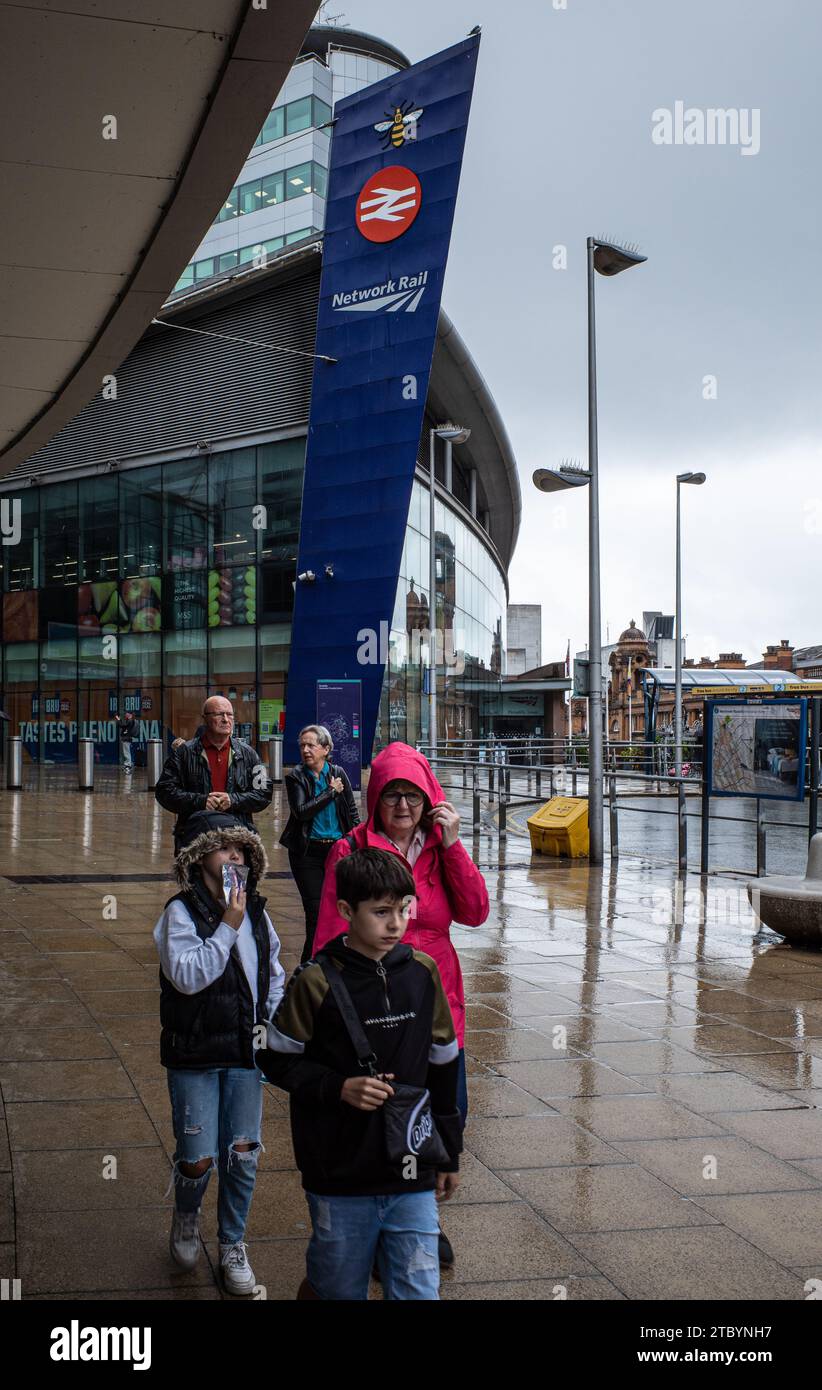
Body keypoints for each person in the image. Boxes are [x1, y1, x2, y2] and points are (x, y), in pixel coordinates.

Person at [312, 741, 489, 1269]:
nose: (404, 807)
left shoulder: (440, 847)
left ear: (431, 797)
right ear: (374, 799)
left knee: (440, 1107)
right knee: (380, 1116)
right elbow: (330, 933)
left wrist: (454, 846)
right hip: (374, 1003)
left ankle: (423, 1219)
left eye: (413, 794)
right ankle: (375, 1221)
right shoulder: (351, 850)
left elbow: (476, 912)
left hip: (436, 1000)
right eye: (392, 795)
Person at [256, 847, 462, 1301]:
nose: (395, 924)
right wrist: (337, 1087)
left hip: (410, 1167)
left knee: (417, 1289)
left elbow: (445, 1066)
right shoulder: (316, 981)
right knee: (338, 1287)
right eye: (381, 912)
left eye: (403, 909)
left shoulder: (423, 973)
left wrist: (448, 1154)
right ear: (347, 910)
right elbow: (275, 1059)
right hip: (339, 1171)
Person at [154, 810, 285, 1295]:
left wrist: (276, 1025)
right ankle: (187, 1216)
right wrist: (228, 923)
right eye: (225, 846)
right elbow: (187, 977)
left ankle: (233, 1243)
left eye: (242, 848)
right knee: (197, 1158)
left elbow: (271, 971)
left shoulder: (256, 911)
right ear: (197, 857)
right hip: (193, 1054)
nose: (236, 855)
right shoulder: (180, 913)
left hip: (245, 1054)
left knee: (243, 1152)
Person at [280, 724, 359, 962]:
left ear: (325, 749)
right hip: (307, 853)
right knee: (315, 912)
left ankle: (339, 959)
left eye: (310, 745)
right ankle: (310, 965)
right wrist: (330, 792)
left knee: (341, 909)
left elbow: (352, 813)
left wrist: (355, 843)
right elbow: (302, 812)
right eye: (302, 745)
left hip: (338, 851)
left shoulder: (338, 773)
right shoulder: (296, 777)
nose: (305, 750)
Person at [155, 696, 272, 849]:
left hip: (237, 840)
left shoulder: (249, 754)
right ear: (205, 718)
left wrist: (233, 800)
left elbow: (264, 792)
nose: (226, 719)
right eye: (219, 714)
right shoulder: (184, 753)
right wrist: (201, 801)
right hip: (196, 839)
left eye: (230, 714)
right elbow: (164, 791)